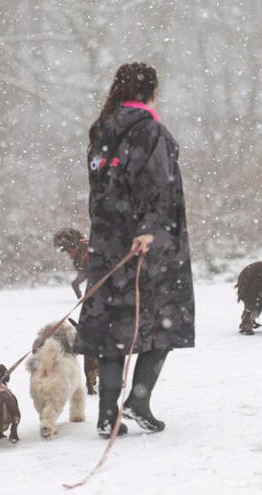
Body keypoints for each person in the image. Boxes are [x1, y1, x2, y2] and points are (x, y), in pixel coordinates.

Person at [75, 62, 195, 436]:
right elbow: (156, 184)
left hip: (107, 244)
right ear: (151, 92)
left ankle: (108, 415)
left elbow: (102, 190)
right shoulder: (149, 131)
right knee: (167, 319)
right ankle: (138, 402)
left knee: (113, 329)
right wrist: (148, 229)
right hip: (149, 246)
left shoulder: (102, 130)